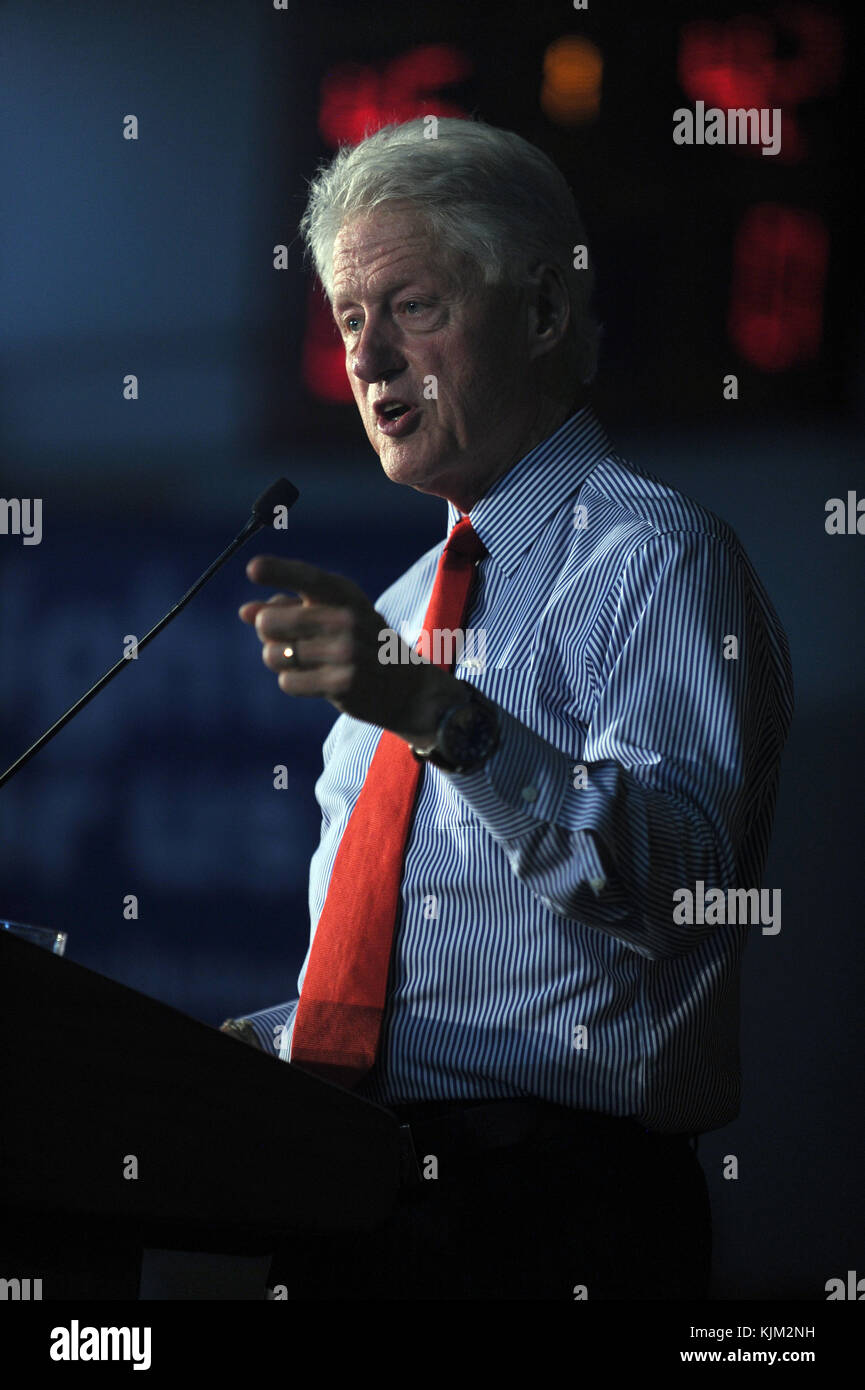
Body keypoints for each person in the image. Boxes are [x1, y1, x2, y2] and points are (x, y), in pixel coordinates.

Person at [221, 116, 793, 1300]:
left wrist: (438, 712)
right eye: (345, 320)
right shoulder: (396, 608)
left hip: (550, 1217)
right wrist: (261, 1054)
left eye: (411, 308)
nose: (366, 361)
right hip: (348, 1193)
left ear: (539, 316)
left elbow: (686, 889)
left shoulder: (655, 558)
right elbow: (419, 977)